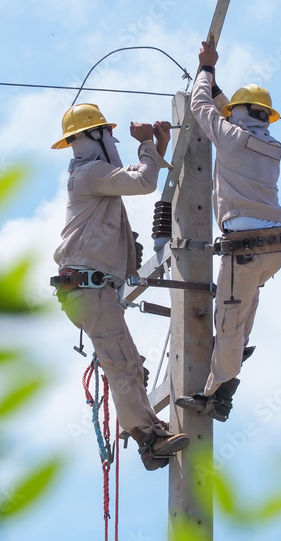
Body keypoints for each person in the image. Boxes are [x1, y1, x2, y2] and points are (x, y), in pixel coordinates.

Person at [50, 103, 188, 470]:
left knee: (128, 365)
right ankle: (148, 438)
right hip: (89, 289)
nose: (113, 139)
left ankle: (150, 430)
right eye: (107, 133)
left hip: (90, 290)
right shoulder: (91, 172)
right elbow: (142, 181)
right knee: (122, 364)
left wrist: (156, 149)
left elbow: (137, 176)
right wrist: (146, 144)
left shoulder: (90, 175)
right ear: (95, 135)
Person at [175, 37, 281, 422]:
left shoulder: (228, 138)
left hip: (245, 250)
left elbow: (201, 105)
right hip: (273, 249)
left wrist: (206, 68)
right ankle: (235, 351)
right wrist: (217, 79)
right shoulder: (271, 147)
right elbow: (228, 113)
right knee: (244, 305)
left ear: (238, 113)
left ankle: (217, 393)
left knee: (227, 317)